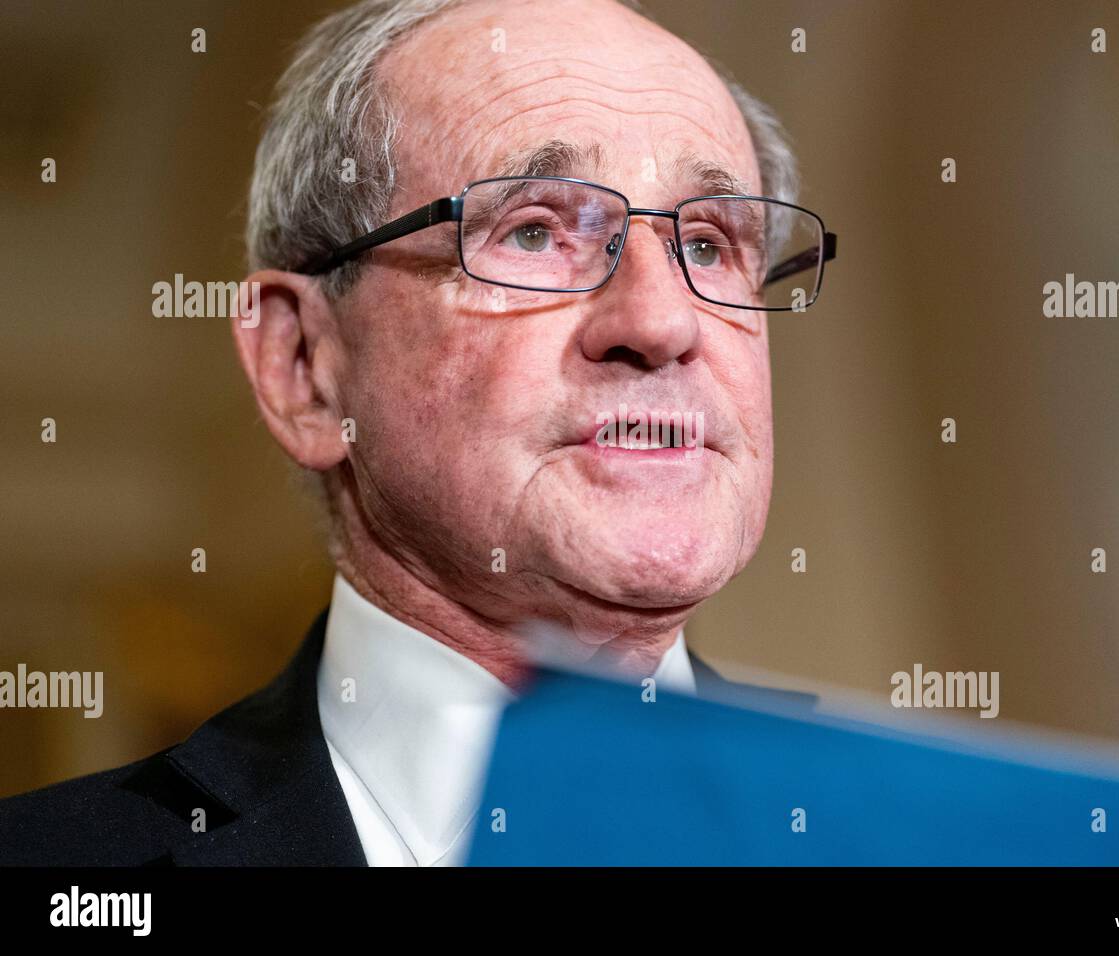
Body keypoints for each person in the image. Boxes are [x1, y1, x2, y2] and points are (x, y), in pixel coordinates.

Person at [0, 0, 833, 865]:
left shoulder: (936, 839)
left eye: (707, 245)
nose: (662, 323)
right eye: (536, 231)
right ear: (304, 368)